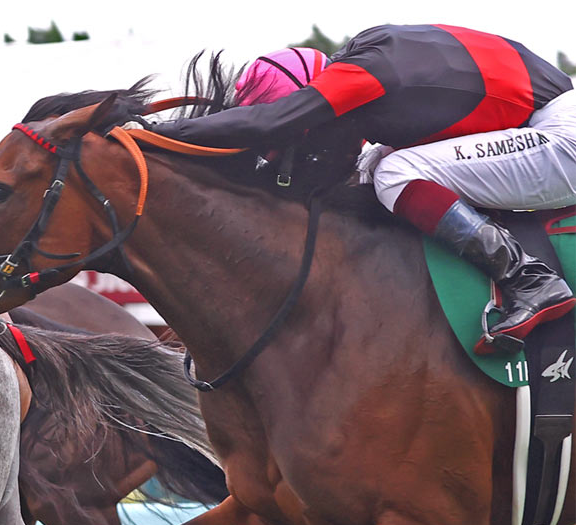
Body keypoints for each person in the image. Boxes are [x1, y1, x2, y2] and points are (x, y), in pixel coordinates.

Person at [154, 25, 576, 352]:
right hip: (541, 120)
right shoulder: (370, 59)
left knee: (396, 172)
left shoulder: (360, 74)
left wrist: (150, 133)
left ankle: (531, 279)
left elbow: (266, 122)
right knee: (376, 165)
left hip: (562, 132)